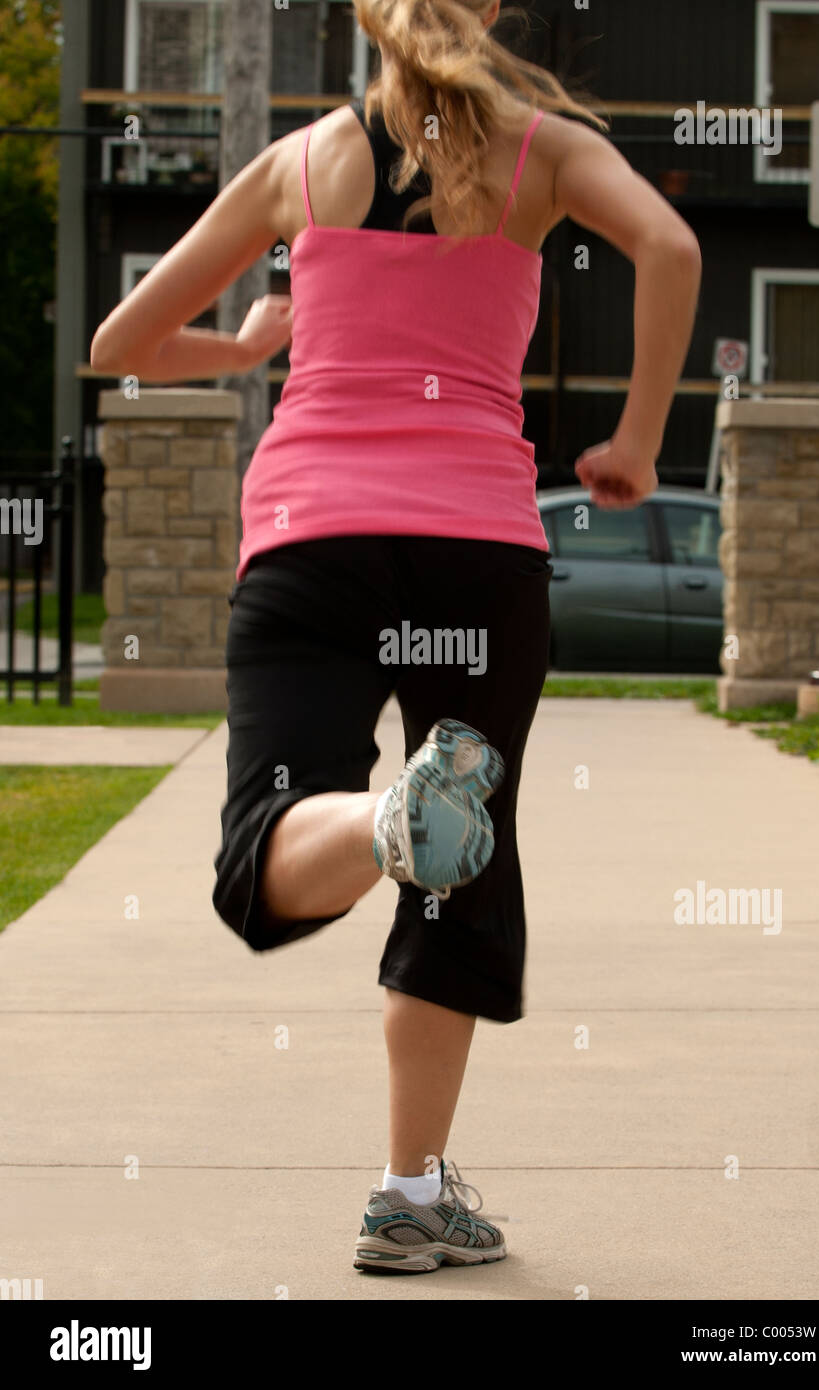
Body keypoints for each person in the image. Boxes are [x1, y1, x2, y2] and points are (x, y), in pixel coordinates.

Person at [90, 0, 701, 1275]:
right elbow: (673, 248)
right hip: (476, 555)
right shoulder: (546, 149)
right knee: (461, 868)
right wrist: (637, 439)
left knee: (265, 844)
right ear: (486, 8)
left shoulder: (297, 169)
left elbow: (120, 345)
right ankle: (409, 1194)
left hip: (310, 541)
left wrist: (251, 343)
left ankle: (374, 822)